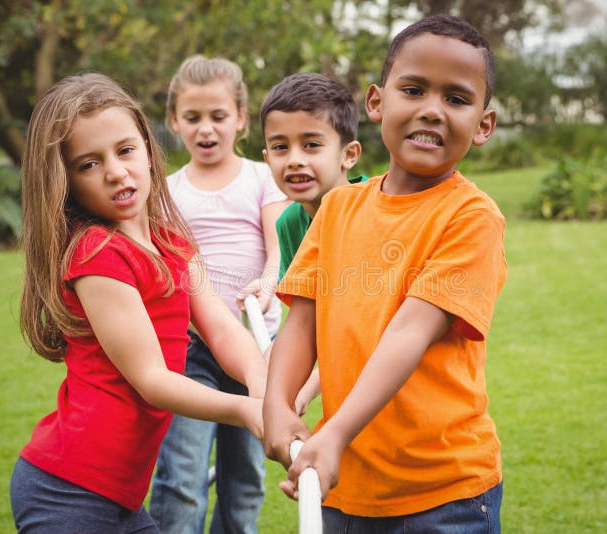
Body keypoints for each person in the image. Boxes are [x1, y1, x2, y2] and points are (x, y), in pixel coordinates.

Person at [263, 14, 506, 533]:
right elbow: (300, 325)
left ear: (484, 125)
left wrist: (332, 434)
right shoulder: (337, 210)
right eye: (414, 89)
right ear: (377, 101)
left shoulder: (471, 217)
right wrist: (278, 406)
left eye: (457, 99)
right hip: (344, 485)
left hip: (443, 495)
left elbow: (410, 331)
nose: (432, 111)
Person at [10, 72, 267, 533]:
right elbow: (152, 378)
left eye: (125, 150)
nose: (114, 171)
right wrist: (245, 410)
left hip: (120, 498)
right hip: (67, 493)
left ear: (148, 150)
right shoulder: (96, 254)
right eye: (88, 164)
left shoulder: (172, 242)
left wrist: (262, 384)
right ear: (64, 181)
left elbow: (224, 328)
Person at [149, 55, 288, 534]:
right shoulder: (165, 193)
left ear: (242, 119)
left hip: (256, 351)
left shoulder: (261, 179)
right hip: (190, 350)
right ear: (174, 122)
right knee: (183, 476)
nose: (206, 129)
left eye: (218, 116)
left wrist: (267, 287)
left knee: (246, 477)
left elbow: (277, 250)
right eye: (192, 118)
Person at [258, 72, 365, 415]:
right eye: (280, 147)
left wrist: (305, 389)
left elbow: (367, 330)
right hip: (342, 393)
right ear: (266, 159)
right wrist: (286, 386)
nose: (294, 159)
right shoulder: (289, 224)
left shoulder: (373, 212)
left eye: (312, 145)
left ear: (348, 155)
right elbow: (308, 323)